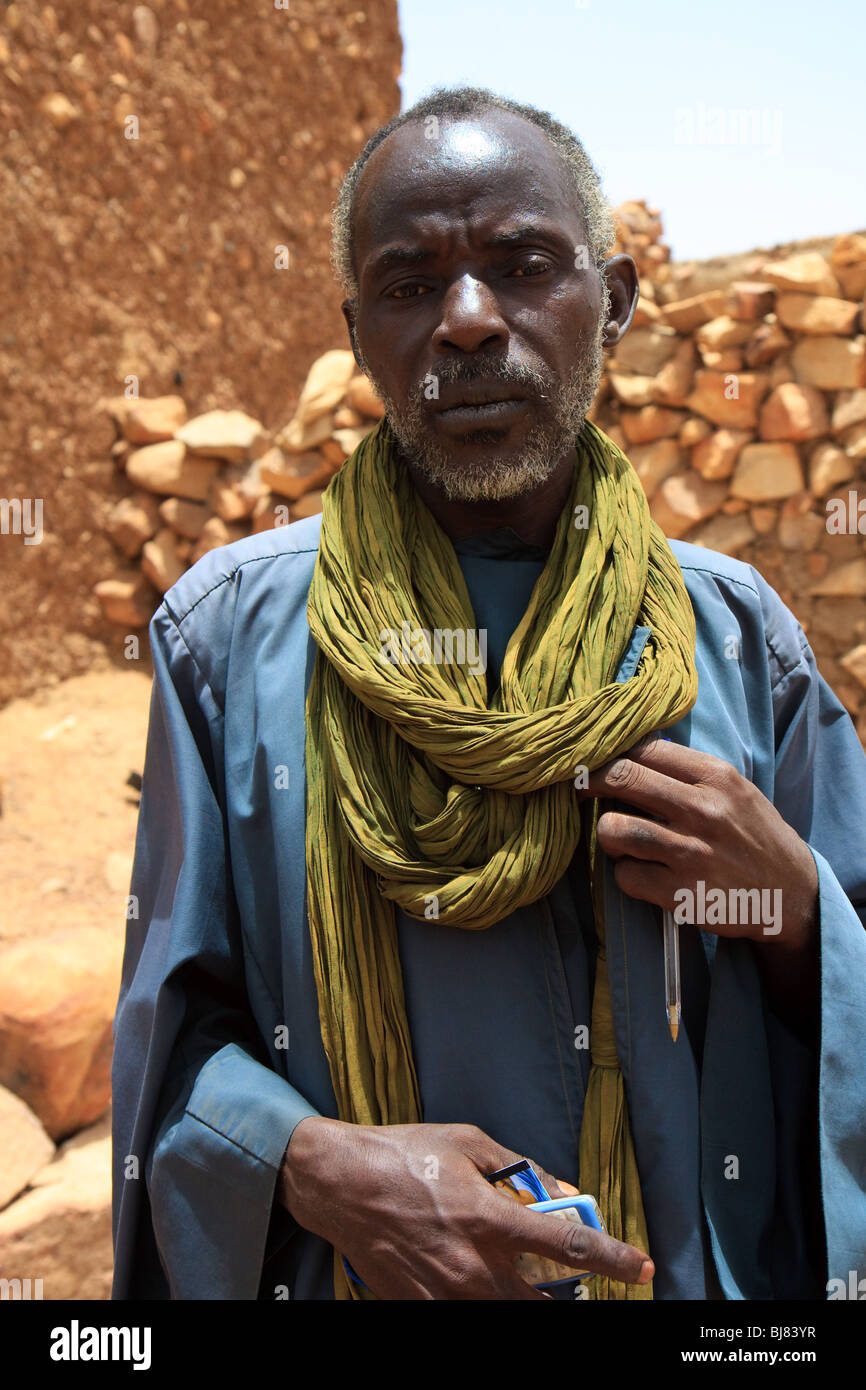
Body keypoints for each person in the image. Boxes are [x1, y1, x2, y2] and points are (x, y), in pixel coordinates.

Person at [111, 86, 866, 1302]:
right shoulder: (226, 642)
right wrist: (308, 1161)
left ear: (611, 302)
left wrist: (791, 909)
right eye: (410, 287)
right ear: (358, 334)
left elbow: (849, 974)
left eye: (520, 264)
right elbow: (173, 1036)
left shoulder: (734, 640)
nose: (466, 321)